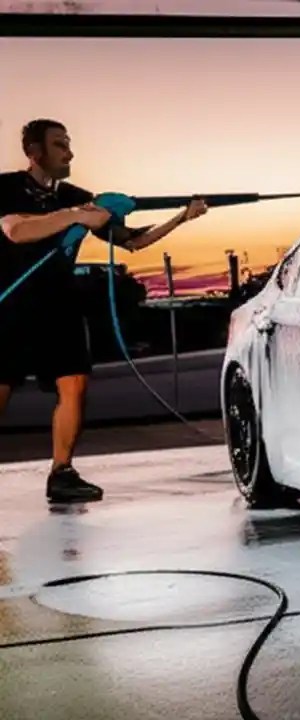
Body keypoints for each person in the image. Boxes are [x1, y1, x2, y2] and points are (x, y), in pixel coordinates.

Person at [0, 118, 208, 504]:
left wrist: (181, 216)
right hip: (8, 306)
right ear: (34, 152)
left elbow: (132, 242)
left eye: (68, 143)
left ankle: (62, 473)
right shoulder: (5, 188)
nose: (69, 152)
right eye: (60, 145)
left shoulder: (77, 195)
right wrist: (78, 214)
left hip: (58, 304)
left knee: (74, 383)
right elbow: (16, 230)